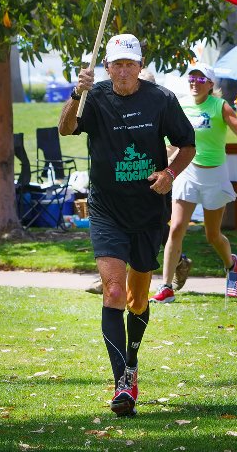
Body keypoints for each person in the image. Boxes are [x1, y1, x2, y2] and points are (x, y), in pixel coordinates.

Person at [58, 34, 195, 416]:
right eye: (116, 64)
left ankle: (131, 364)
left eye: (129, 64)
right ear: (106, 67)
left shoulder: (161, 99)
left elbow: (188, 144)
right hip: (106, 211)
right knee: (114, 292)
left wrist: (170, 172)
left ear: (139, 65)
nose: (122, 70)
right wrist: (75, 94)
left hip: (148, 210)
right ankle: (122, 383)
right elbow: (65, 129)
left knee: (136, 299)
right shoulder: (94, 96)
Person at [153, 62, 237, 303]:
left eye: (200, 79)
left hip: (214, 175)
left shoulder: (220, 106)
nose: (194, 83)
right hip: (187, 172)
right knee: (176, 228)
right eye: (192, 78)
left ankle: (231, 264)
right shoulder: (181, 105)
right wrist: (160, 167)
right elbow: (173, 144)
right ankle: (166, 286)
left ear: (210, 84)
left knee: (212, 235)